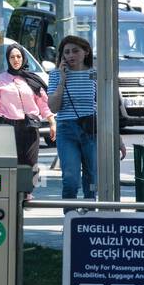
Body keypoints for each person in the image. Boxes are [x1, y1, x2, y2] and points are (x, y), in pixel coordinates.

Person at [0, 43, 52, 172]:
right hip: (8, 128)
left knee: (31, 164)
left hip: (30, 127)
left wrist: (52, 122)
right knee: (11, 165)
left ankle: (28, 192)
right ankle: (13, 192)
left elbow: (43, 102)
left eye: (19, 56)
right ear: (8, 60)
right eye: (12, 57)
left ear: (23, 58)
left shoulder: (32, 79)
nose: (16, 60)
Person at [48, 34, 98, 200]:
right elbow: (53, 107)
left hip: (91, 128)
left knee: (92, 178)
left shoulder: (94, 74)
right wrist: (62, 80)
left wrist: (117, 137)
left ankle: (89, 216)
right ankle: (70, 217)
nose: (70, 55)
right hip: (66, 129)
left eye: (75, 51)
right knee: (70, 179)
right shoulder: (56, 74)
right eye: (66, 52)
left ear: (86, 52)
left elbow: (107, 105)